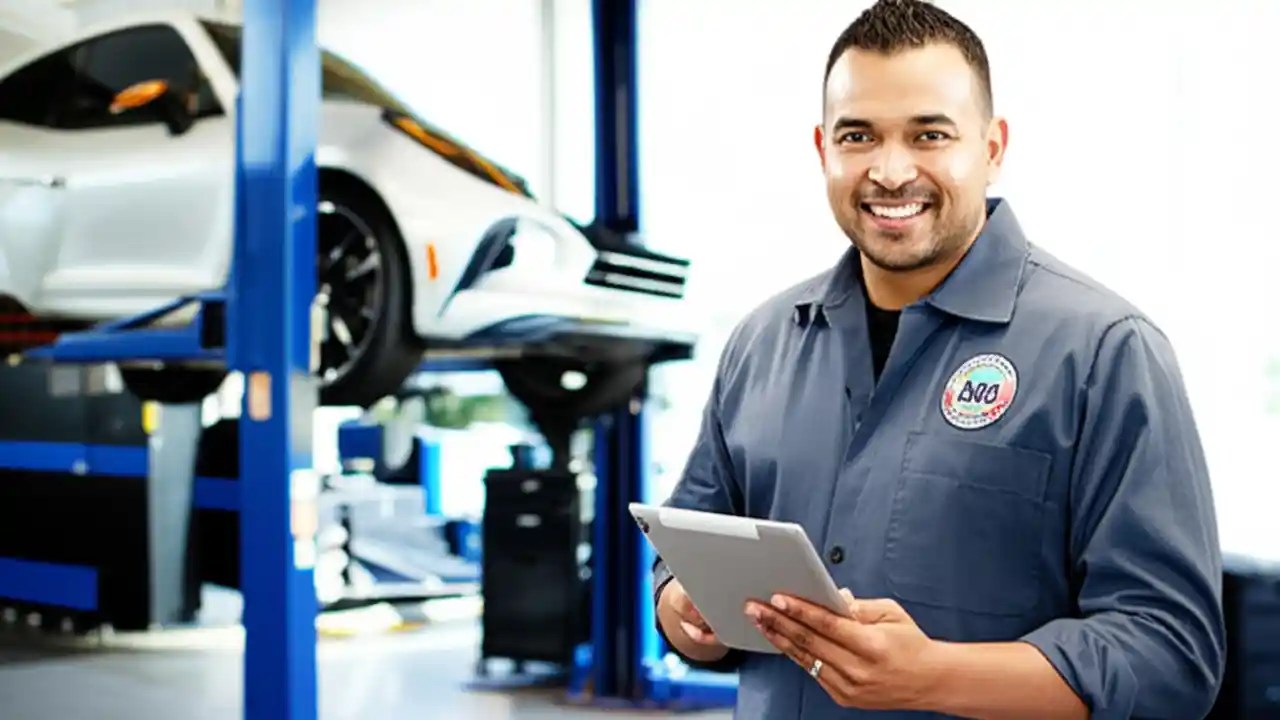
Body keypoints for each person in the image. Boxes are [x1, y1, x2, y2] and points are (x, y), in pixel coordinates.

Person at [650, 1, 1226, 718]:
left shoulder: (1105, 351)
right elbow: (681, 557)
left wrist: (934, 676)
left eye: (930, 135)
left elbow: (1171, 653)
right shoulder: (763, 341)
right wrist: (686, 612)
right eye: (859, 136)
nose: (891, 172)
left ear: (992, 147)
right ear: (823, 148)